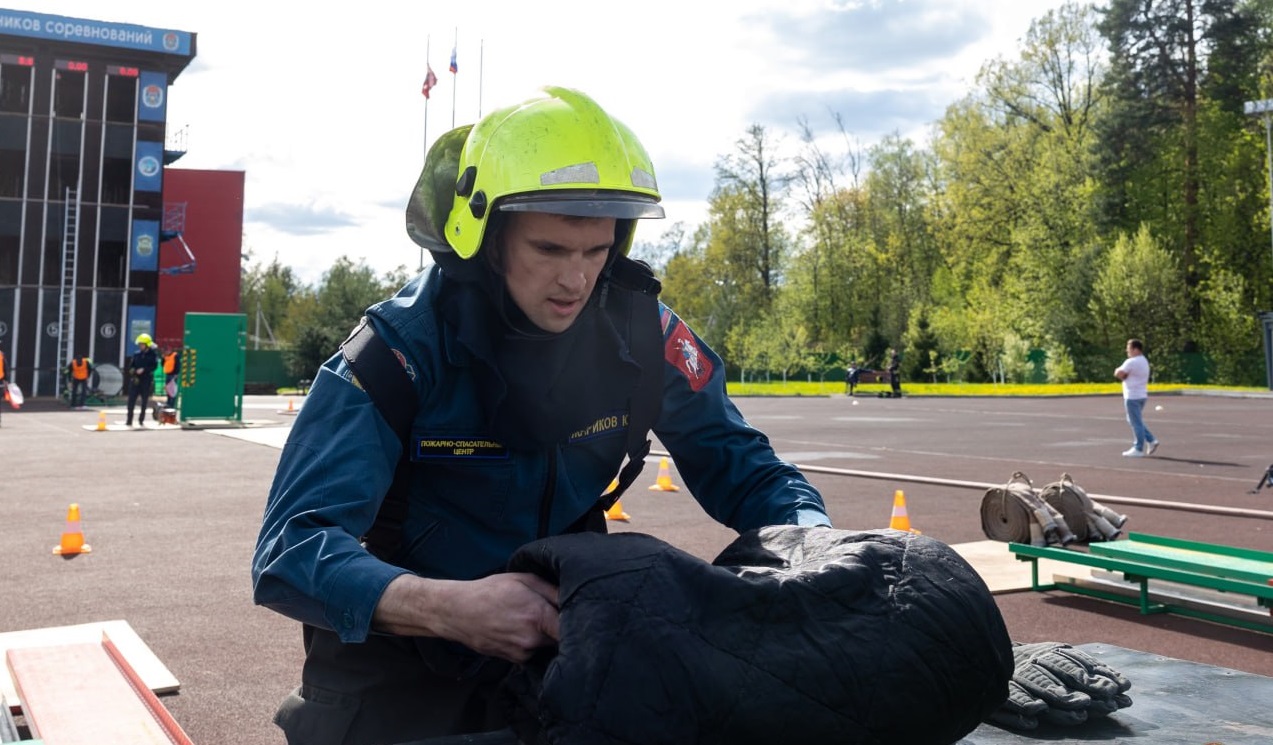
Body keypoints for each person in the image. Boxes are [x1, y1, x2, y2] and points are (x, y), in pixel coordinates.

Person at [251, 86, 832, 745]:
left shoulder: (644, 336)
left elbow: (744, 466)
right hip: (395, 677)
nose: (575, 281)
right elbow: (289, 552)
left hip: (563, 655)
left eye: (596, 252)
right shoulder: (392, 356)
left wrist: (814, 543)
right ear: (487, 237)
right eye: (551, 250)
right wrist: (448, 607)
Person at [1114, 338, 1158, 457]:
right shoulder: (1144, 361)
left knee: (1136, 422)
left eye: (1129, 349)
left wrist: (1118, 372)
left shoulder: (1131, 362)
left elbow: (1118, 373)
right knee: (1134, 420)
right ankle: (1151, 440)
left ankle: (1138, 448)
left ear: (1135, 349)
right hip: (1141, 395)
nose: (1127, 351)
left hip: (1132, 396)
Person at [125, 333, 159, 427]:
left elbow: (154, 366)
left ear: (147, 345)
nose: (140, 346)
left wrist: (144, 369)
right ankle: (129, 420)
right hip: (136, 380)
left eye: (142, 344)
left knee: (144, 401)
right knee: (131, 401)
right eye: (139, 344)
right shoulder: (136, 354)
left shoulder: (152, 355)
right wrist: (134, 371)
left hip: (146, 380)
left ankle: (141, 420)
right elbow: (131, 366)